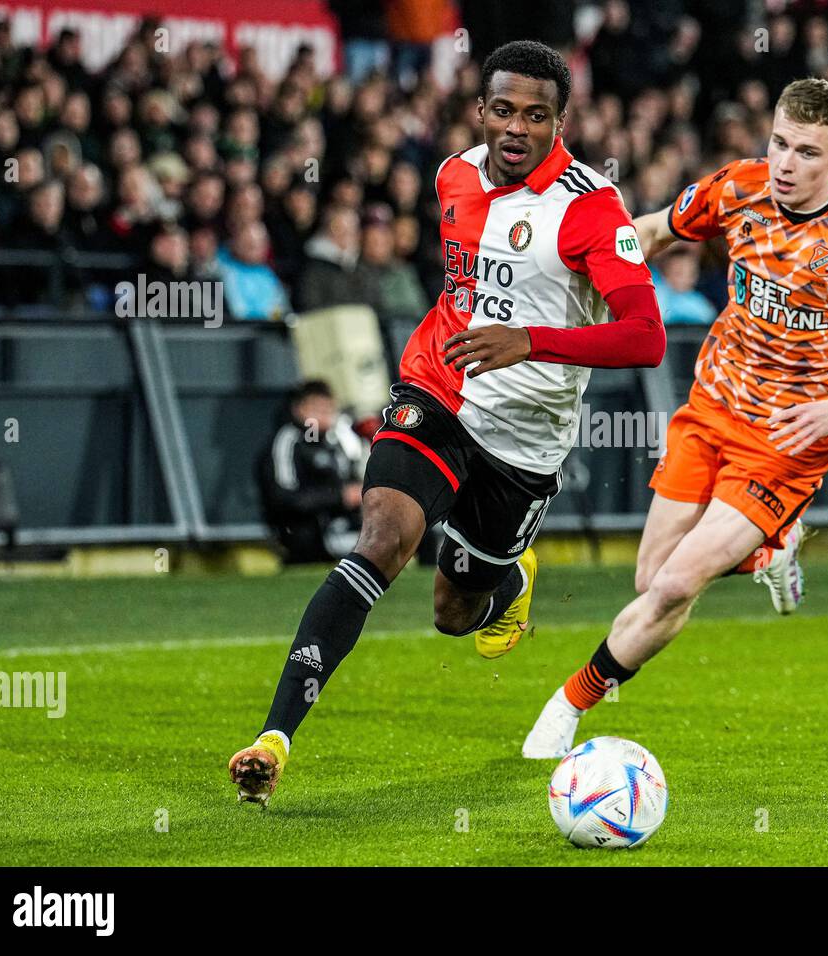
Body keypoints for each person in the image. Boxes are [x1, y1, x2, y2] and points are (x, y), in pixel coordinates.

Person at [228, 40, 665, 806]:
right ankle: (275, 738)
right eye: (503, 109)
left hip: (526, 441)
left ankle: (507, 579)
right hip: (437, 389)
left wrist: (531, 339)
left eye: (536, 114)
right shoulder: (451, 175)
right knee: (381, 540)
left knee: (451, 613)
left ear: (561, 121)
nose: (517, 128)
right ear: (479, 111)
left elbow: (645, 335)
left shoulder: (592, 210)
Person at [522, 78, 828, 759]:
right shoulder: (738, 187)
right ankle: (772, 551)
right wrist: (577, 274)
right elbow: (657, 231)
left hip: (787, 441)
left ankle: (569, 704)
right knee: (649, 579)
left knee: (672, 587)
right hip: (711, 407)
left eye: (807, 152)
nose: (784, 163)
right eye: (779, 142)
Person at [258, 380, 366, 564]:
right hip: (302, 529)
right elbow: (283, 498)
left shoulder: (338, 440)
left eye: (328, 410)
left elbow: (352, 478)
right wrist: (340, 497)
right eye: (316, 410)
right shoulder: (288, 441)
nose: (323, 417)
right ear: (299, 410)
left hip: (340, 522)